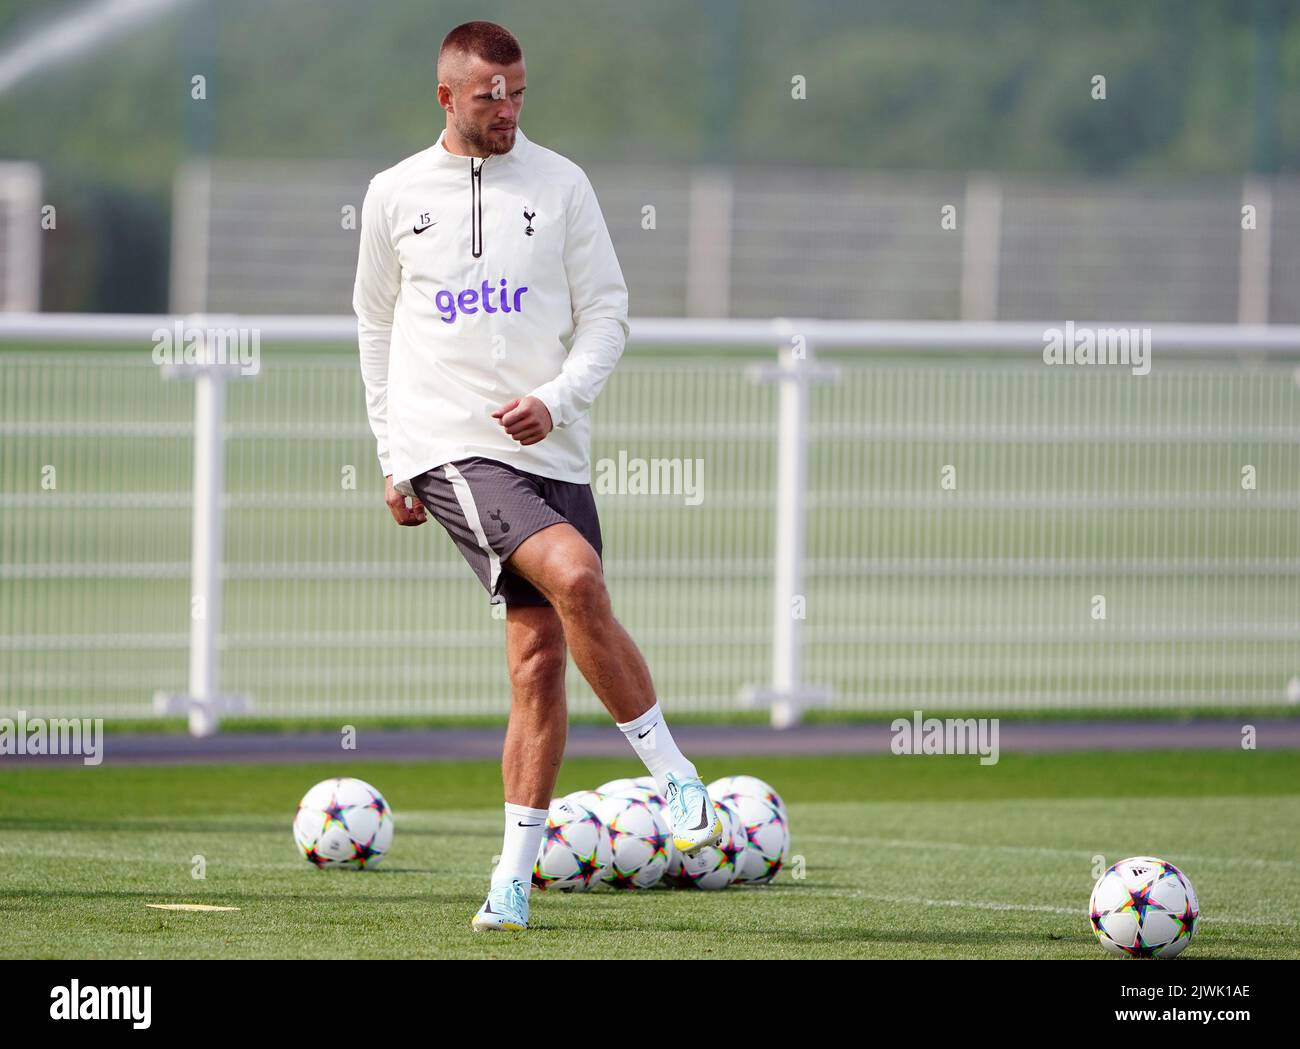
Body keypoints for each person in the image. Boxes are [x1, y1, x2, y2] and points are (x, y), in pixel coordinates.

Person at [352, 20, 720, 933]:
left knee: (538, 658)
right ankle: (673, 770)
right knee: (576, 574)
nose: (507, 108)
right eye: (488, 95)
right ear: (447, 96)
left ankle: (510, 884)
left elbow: (608, 315)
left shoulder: (563, 186)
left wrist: (555, 398)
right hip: (449, 445)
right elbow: (373, 326)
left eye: (518, 92)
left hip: (552, 448)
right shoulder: (395, 194)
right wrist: (393, 452)